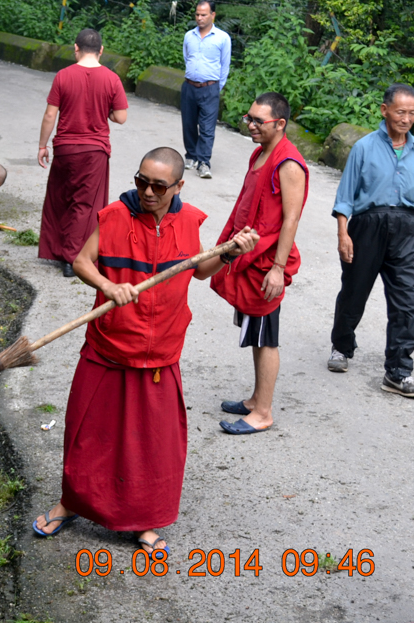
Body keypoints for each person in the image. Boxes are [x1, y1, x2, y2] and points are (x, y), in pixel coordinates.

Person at [31, 147, 258, 554]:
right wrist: (108, 286)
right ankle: (71, 503)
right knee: (88, 435)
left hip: (161, 352)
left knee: (153, 445)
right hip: (109, 346)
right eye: (141, 182)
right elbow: (83, 261)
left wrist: (228, 254)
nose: (147, 192)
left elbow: (199, 269)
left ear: (178, 186)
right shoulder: (114, 216)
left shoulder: (189, 221)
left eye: (158, 186)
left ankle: (144, 520)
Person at [210, 92, 308, 435]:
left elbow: (291, 219)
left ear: (280, 124)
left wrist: (278, 269)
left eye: (257, 121)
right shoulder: (260, 152)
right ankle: (255, 399)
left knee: (267, 336)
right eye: (248, 118)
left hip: (267, 264)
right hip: (249, 255)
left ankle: (263, 412)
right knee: (255, 330)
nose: (250, 125)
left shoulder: (289, 163)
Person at [327, 83, 414, 398]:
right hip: (367, 225)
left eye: (412, 112)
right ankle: (341, 347)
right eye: (401, 111)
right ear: (385, 110)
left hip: (405, 228)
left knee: (406, 303)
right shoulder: (364, 147)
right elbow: (345, 196)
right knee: (354, 290)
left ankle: (399, 372)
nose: (406, 118)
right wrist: (343, 233)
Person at [37, 28, 129, 278]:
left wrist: (42, 146)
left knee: (61, 198)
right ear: (101, 51)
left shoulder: (63, 76)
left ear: (75, 48)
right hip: (94, 151)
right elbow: (121, 117)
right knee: (85, 204)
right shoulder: (111, 79)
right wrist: (106, 112)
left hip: (65, 148)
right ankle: (73, 258)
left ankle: (60, 251)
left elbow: (49, 115)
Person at [181, 0, 231, 179]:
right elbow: (187, 57)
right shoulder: (189, 36)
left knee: (207, 127)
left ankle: (204, 162)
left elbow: (225, 65)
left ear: (213, 15)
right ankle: (191, 156)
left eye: (203, 15)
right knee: (188, 124)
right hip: (189, 86)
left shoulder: (223, 38)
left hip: (210, 88)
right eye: (197, 14)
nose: (199, 18)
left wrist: (217, 86)